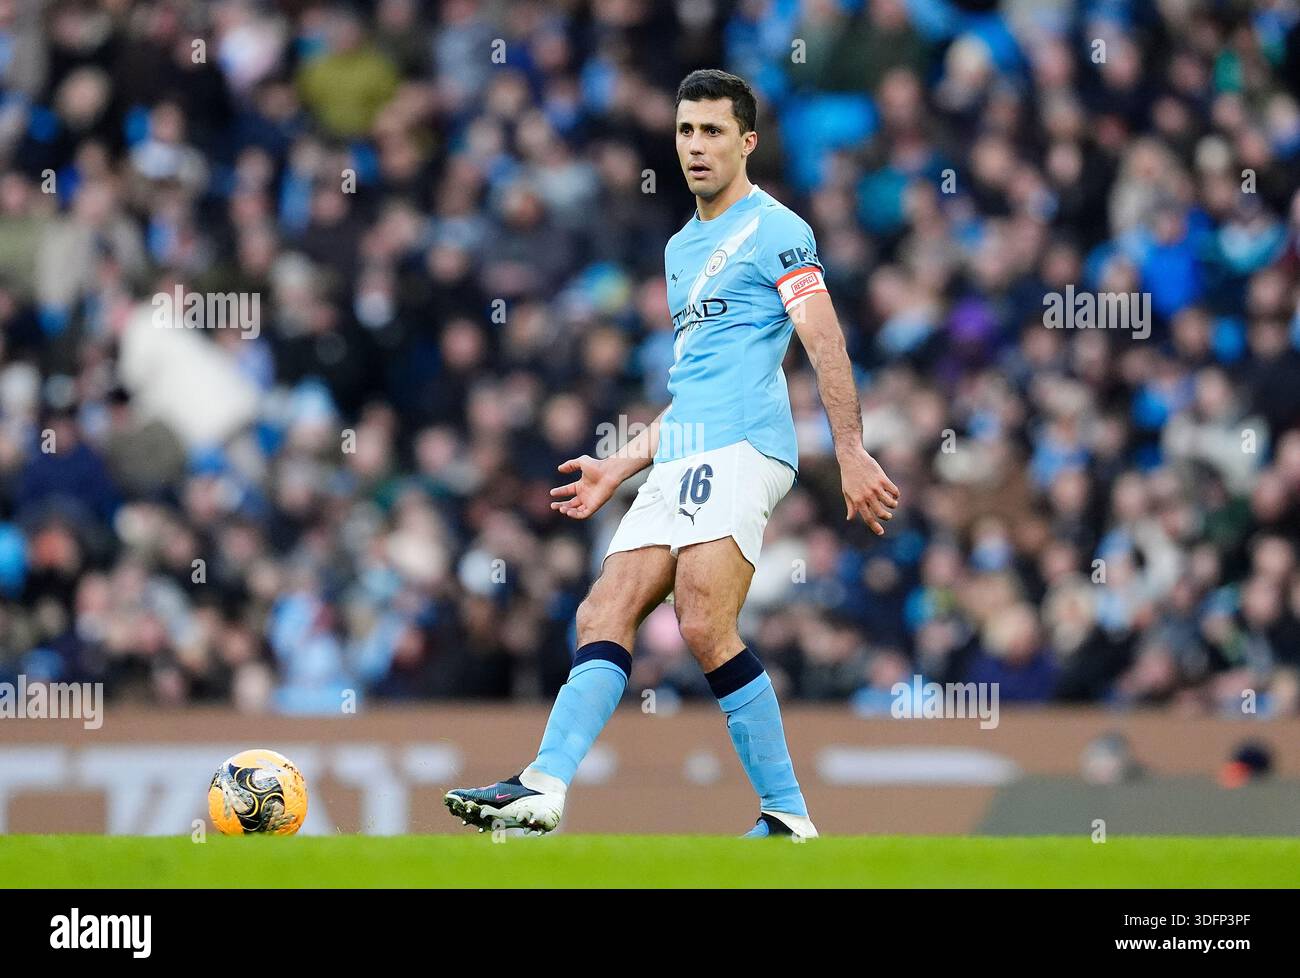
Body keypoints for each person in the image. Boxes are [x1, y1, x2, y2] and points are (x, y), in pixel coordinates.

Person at [444, 69, 900, 838]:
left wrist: (850, 449)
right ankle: (543, 786)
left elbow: (825, 340)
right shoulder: (682, 248)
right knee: (605, 607)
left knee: (700, 620)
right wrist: (620, 464)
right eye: (686, 130)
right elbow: (693, 388)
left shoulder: (778, 229)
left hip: (748, 446)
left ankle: (788, 813)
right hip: (686, 447)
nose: (696, 145)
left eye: (714, 131)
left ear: (746, 142)